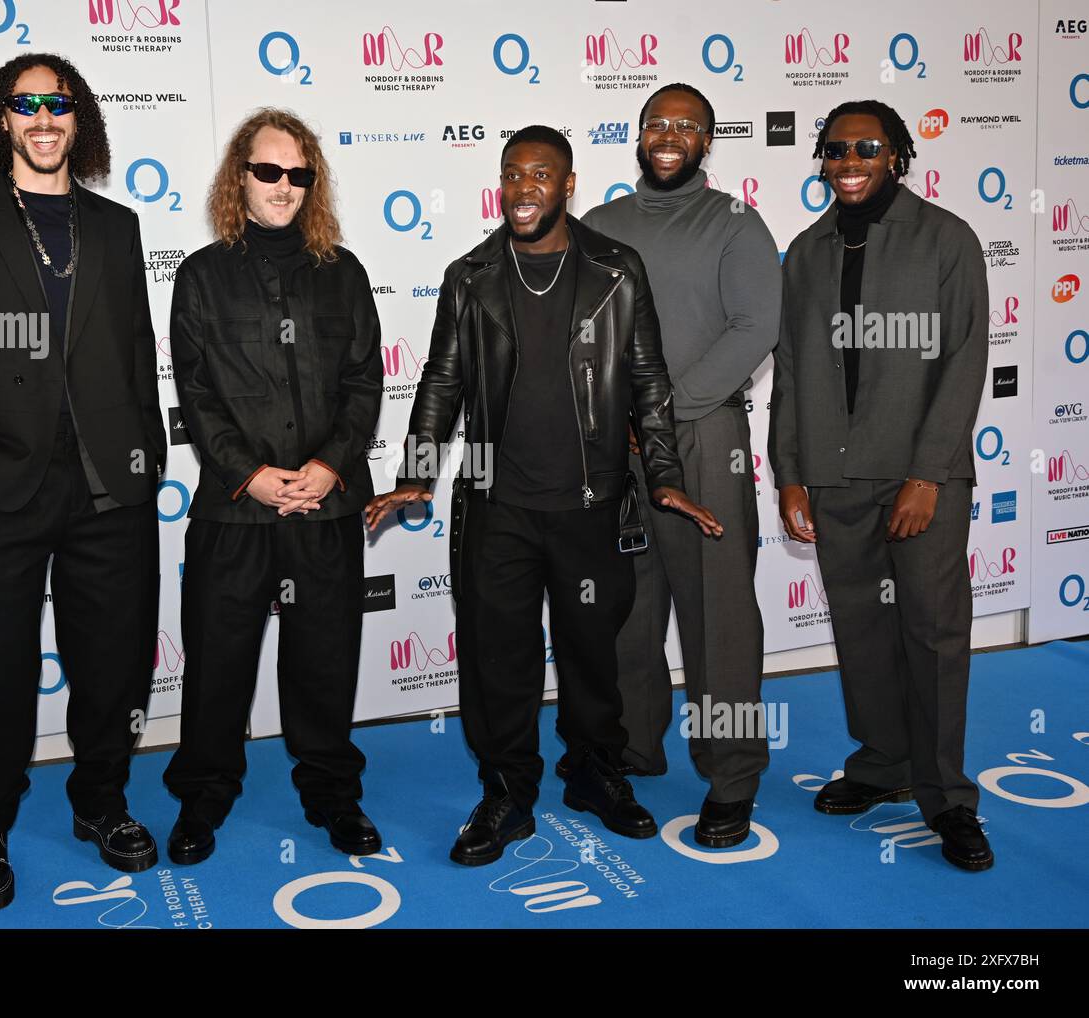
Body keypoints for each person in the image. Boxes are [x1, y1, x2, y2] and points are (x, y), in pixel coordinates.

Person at [367, 126, 721, 867]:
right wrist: (414, 474)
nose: (524, 188)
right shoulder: (471, 276)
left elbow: (650, 384)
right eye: (512, 175)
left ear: (567, 185)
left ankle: (594, 770)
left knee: (596, 654)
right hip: (497, 506)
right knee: (500, 661)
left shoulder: (617, 271)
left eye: (540, 175)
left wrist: (664, 478)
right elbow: (441, 381)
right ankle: (507, 793)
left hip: (592, 503)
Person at [0, 54, 166, 912]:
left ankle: (101, 801)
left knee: (113, 662)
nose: (44, 118)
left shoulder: (117, 225)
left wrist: (150, 454)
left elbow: (137, 351)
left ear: (78, 118)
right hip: (0, 481)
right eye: (27, 105)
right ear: (3, 120)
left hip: (109, 488)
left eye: (58, 103)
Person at [768, 99, 993, 871]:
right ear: (821, 161)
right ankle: (882, 765)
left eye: (866, 146)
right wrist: (789, 475)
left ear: (896, 152)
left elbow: (965, 360)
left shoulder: (946, 239)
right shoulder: (804, 251)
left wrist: (929, 473)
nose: (850, 160)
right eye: (835, 149)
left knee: (931, 632)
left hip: (917, 476)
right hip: (832, 476)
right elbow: (792, 372)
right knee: (861, 630)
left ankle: (947, 798)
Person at [162, 109, 384, 864]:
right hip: (235, 511)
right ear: (240, 177)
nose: (283, 187)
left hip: (326, 505)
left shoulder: (343, 272)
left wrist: (327, 467)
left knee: (325, 662)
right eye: (268, 171)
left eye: (299, 174)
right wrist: (251, 476)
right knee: (218, 667)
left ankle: (332, 795)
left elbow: (363, 383)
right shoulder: (200, 275)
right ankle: (203, 797)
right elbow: (195, 395)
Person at [580, 83, 780, 848]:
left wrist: (661, 413)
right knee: (626, 609)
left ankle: (731, 775)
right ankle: (634, 746)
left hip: (701, 439)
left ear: (706, 140)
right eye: (656, 123)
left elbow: (755, 326)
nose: (669, 135)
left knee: (719, 616)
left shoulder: (734, 222)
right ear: (638, 135)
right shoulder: (600, 224)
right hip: (614, 445)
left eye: (685, 126)